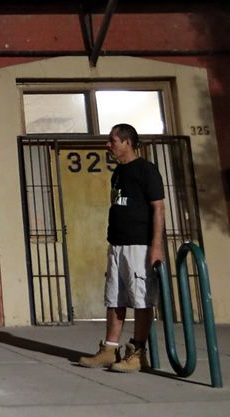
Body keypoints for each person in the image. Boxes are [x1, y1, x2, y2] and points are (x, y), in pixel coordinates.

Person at [78, 123, 166, 373]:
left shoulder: (146, 170)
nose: (108, 144)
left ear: (127, 142)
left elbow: (158, 207)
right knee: (115, 297)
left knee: (141, 299)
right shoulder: (118, 173)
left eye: (112, 140)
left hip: (140, 246)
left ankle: (137, 353)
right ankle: (109, 349)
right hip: (117, 244)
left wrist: (156, 246)